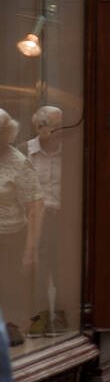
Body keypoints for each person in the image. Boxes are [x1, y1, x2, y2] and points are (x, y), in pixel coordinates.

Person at [23, 106, 67, 336]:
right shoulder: (26, 153)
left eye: (61, 126)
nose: (60, 131)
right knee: (37, 269)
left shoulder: (69, 153)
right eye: (55, 127)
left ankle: (59, 315)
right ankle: (38, 316)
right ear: (40, 128)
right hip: (35, 219)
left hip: (62, 218)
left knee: (61, 268)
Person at [0, 111, 42, 347]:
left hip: (10, 235)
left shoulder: (18, 162)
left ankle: (10, 328)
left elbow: (36, 206)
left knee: (8, 285)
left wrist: (30, 248)